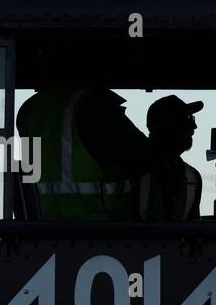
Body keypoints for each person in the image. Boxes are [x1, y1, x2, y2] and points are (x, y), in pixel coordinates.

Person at [16, 82, 147, 220]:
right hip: (100, 229)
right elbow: (145, 156)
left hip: (42, 229)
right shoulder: (96, 105)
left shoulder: (30, 108)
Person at [138, 95, 203, 221]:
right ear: (165, 126)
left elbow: (194, 231)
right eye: (186, 118)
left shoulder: (193, 178)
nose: (194, 126)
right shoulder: (132, 172)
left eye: (192, 118)